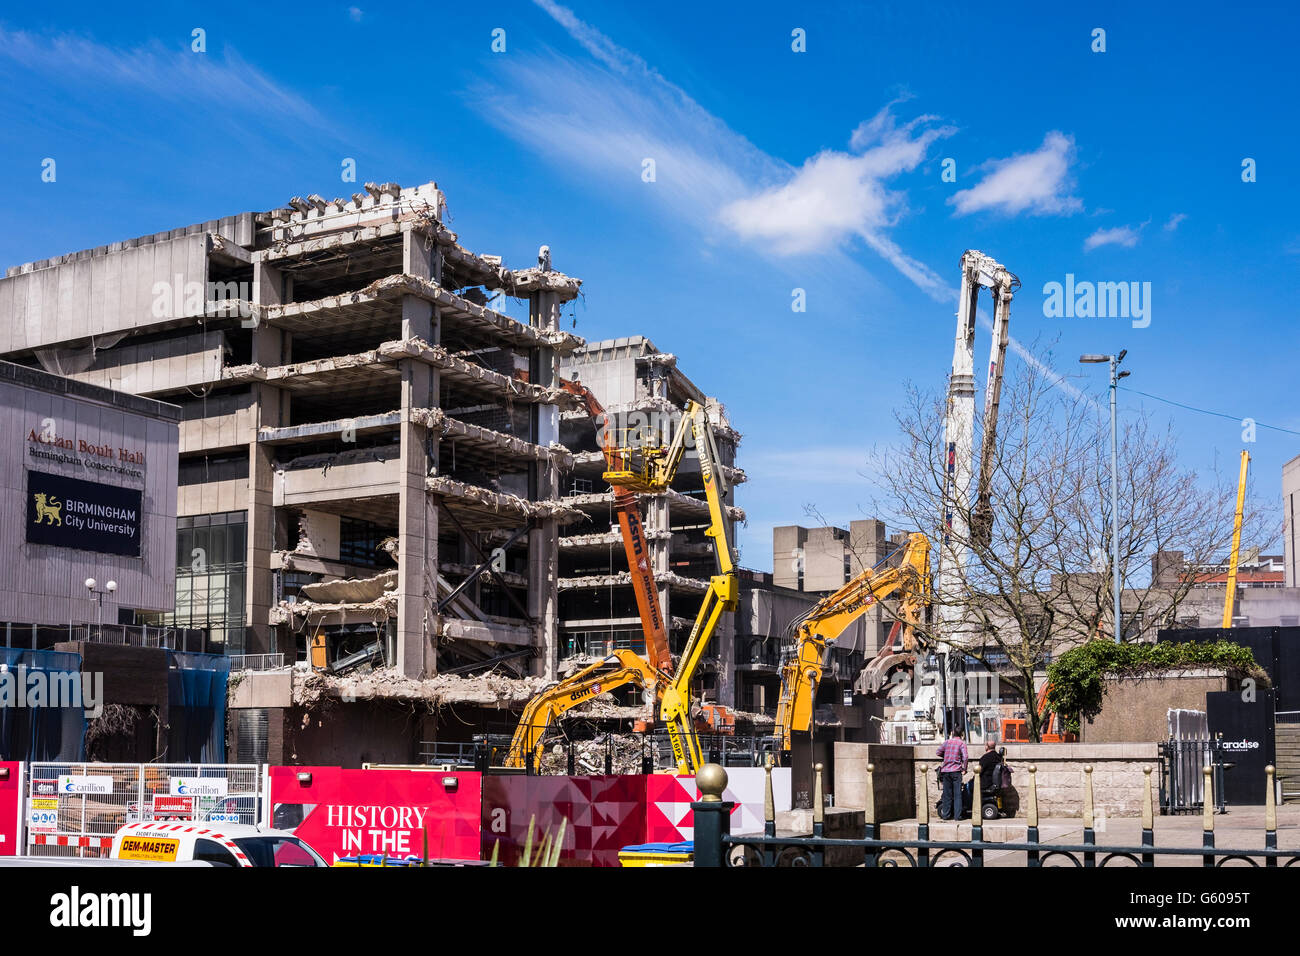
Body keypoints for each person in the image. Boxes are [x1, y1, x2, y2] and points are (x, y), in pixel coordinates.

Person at [936, 726, 968, 820]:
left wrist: (945, 756)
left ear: (953, 733)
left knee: (947, 794)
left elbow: (938, 752)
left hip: (946, 771)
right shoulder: (962, 743)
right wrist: (964, 768)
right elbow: (965, 757)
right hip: (956, 771)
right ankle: (957, 816)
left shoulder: (947, 742)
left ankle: (945, 815)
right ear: (962, 734)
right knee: (957, 795)